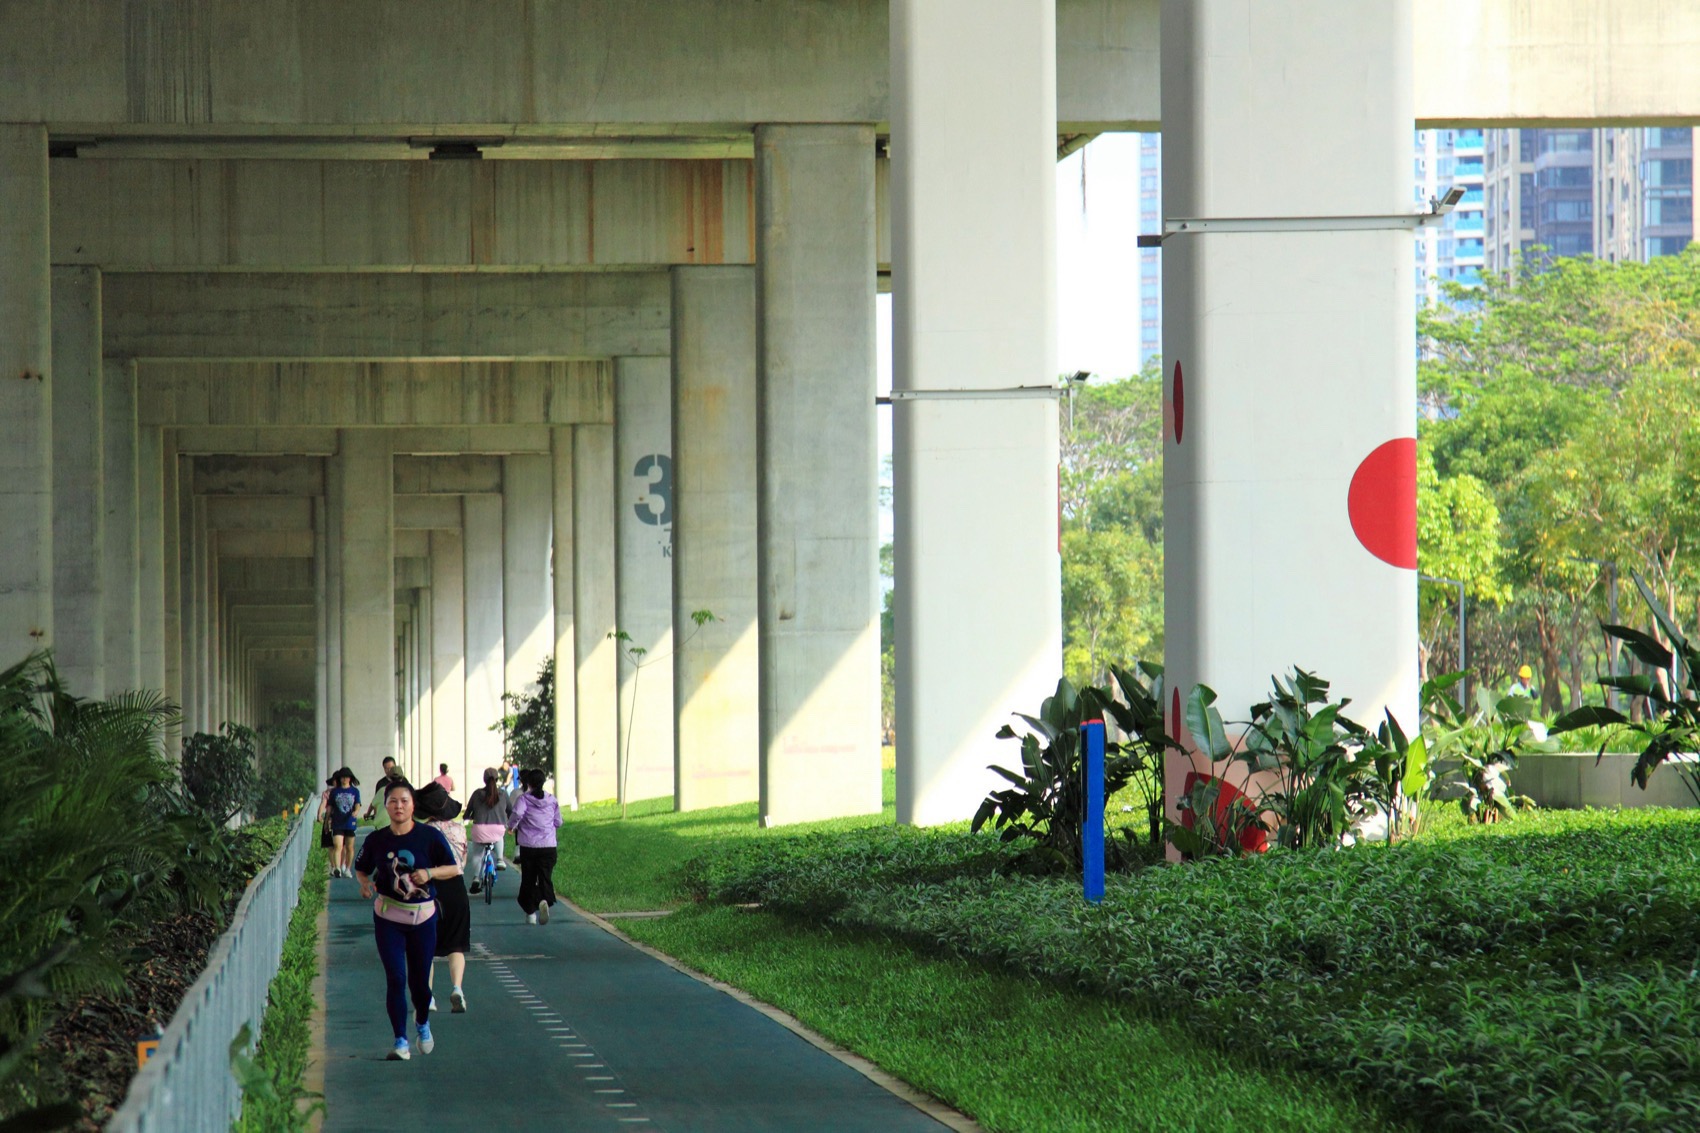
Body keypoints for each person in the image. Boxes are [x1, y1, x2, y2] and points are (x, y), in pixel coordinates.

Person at [355, 783, 458, 1061]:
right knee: (396, 978)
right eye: (393, 801)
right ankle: (400, 1040)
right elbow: (362, 869)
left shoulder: (430, 836)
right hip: (388, 916)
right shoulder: (377, 840)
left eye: (404, 801)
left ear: (413, 806)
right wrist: (365, 885)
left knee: (420, 984)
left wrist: (429, 873)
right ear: (385, 806)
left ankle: (422, 1022)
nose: (398, 806)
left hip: (423, 918)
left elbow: (453, 868)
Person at [413, 782, 470, 1014]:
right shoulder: (459, 829)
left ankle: (428, 998)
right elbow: (462, 863)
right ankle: (457, 988)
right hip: (456, 889)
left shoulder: (423, 833)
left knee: (427, 946)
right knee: (456, 944)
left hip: (430, 890)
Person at [507, 768, 562, 925]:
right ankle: (543, 899)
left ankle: (530, 913)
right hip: (548, 847)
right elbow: (559, 822)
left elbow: (517, 814)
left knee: (528, 879)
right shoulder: (552, 800)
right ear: (543, 782)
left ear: (528, 783)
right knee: (545, 878)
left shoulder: (524, 799)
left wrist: (511, 826)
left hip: (529, 847)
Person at [464, 767, 512, 884]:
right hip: (498, 829)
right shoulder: (503, 793)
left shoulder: (477, 794)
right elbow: (510, 811)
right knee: (499, 836)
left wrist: (468, 817)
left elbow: (468, 812)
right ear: (496, 779)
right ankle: (500, 859)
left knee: (477, 854)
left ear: (484, 780)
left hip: (479, 829)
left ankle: (476, 878)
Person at [316, 767, 361, 879]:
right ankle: (337, 868)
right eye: (342, 777)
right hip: (337, 822)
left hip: (350, 822)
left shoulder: (355, 791)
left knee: (350, 847)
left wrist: (356, 811)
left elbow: (358, 804)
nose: (344, 779)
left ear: (350, 778)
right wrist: (326, 822)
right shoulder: (335, 792)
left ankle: (348, 868)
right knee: (337, 845)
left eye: (346, 777)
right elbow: (329, 808)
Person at [364, 756, 407, 821]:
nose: (389, 770)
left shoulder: (404, 781)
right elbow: (376, 803)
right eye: (386, 768)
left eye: (391, 768)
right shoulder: (381, 784)